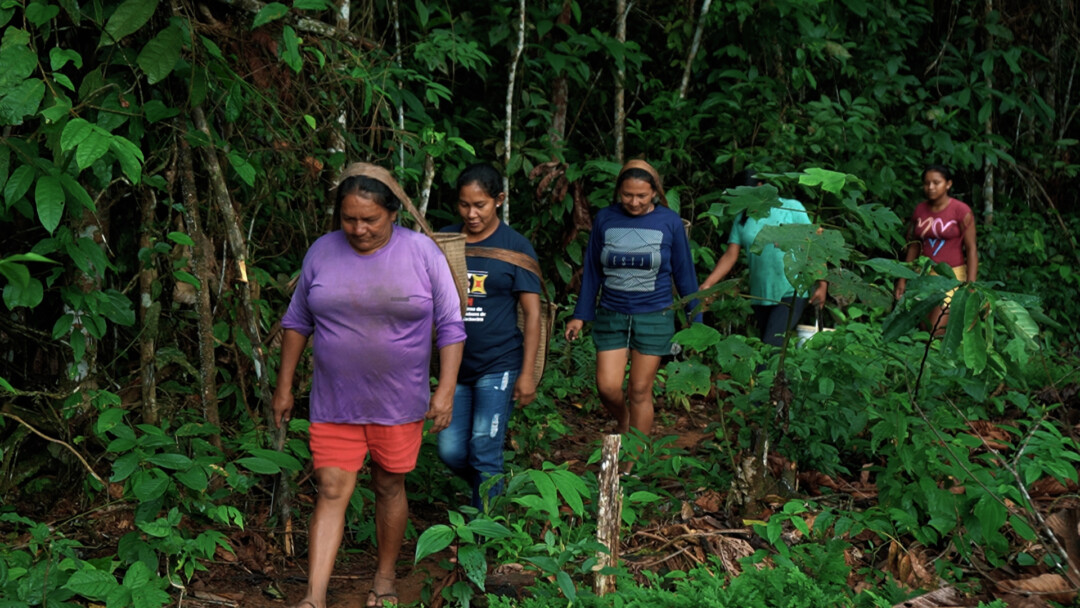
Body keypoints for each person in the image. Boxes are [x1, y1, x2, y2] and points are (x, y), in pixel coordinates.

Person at [272, 163, 465, 608]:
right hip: (334, 401)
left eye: (369, 219)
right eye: (349, 218)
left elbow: (451, 327)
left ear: (393, 213)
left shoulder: (422, 253)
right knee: (332, 489)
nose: (358, 229)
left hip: (399, 402)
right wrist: (284, 387)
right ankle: (314, 596)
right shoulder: (322, 251)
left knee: (388, 487)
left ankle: (384, 576)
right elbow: (297, 322)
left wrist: (446, 389)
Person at [565, 160, 700, 439]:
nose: (634, 202)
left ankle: (634, 460)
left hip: (655, 316)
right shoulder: (605, 218)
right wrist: (580, 315)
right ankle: (624, 420)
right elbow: (592, 271)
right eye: (628, 195)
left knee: (639, 389)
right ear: (619, 192)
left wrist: (695, 320)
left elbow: (685, 275)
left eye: (641, 195)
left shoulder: (670, 222)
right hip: (612, 314)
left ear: (654, 193)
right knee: (607, 387)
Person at [437, 163, 541, 511]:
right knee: (451, 451)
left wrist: (527, 375)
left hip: (499, 363)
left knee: (484, 446)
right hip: (456, 367)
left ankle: (485, 533)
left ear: (499, 200)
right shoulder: (446, 242)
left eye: (479, 204)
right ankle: (492, 491)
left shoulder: (515, 247)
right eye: (464, 205)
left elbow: (532, 314)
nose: (471, 213)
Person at [699, 170, 827, 347]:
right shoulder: (742, 219)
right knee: (768, 348)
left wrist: (822, 284)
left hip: (792, 288)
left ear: (761, 187)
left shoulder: (791, 207)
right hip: (761, 293)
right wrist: (708, 284)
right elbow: (730, 255)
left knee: (771, 344)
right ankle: (782, 375)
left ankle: (762, 375)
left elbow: (812, 244)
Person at [893, 165, 978, 333]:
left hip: (952, 276)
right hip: (923, 276)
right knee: (923, 327)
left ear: (948, 184)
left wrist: (971, 285)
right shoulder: (920, 210)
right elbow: (914, 247)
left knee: (936, 329)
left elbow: (971, 250)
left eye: (936, 182)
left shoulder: (961, 211)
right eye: (927, 183)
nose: (930, 187)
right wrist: (903, 278)